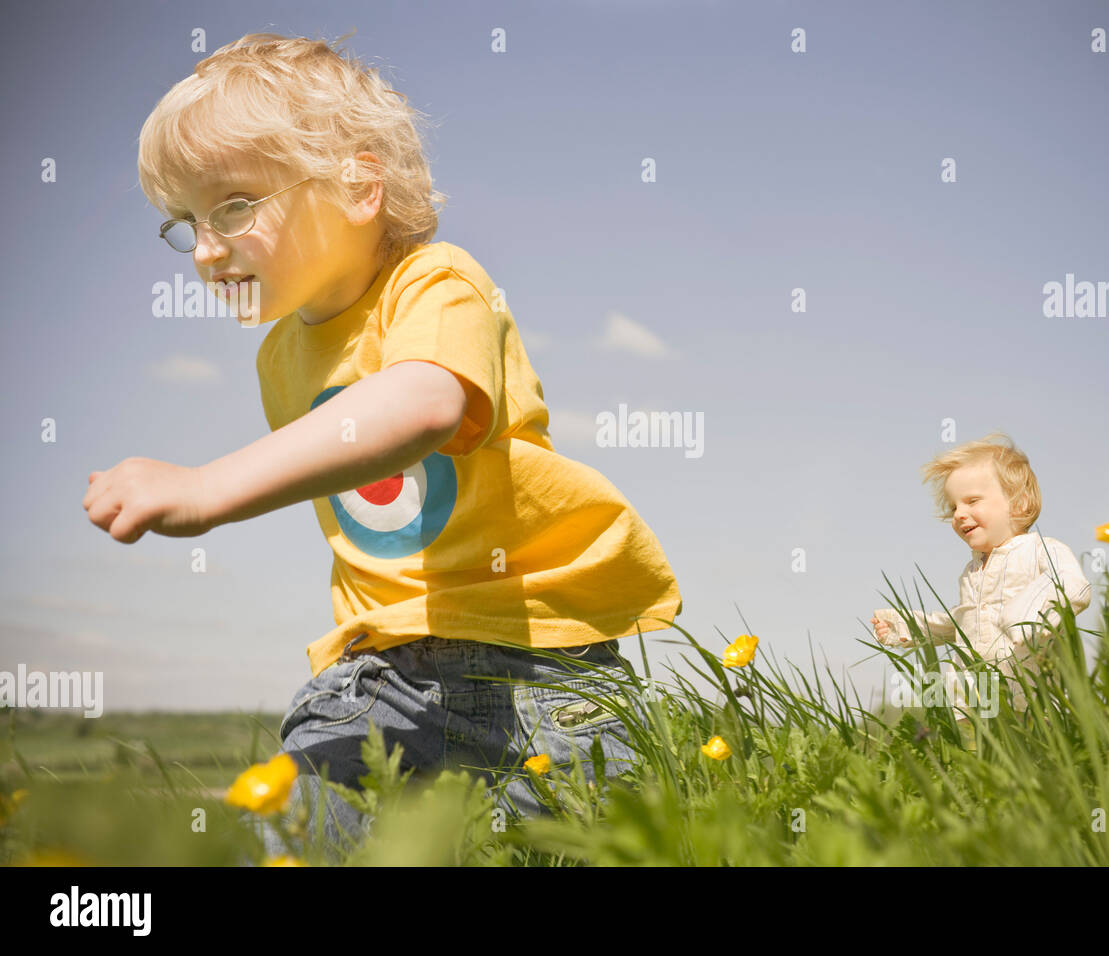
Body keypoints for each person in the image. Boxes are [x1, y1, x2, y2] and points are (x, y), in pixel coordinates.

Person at [86, 32, 683, 861]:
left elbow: (424, 404)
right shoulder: (281, 356)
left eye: (233, 206)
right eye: (186, 223)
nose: (208, 248)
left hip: (546, 664)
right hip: (384, 677)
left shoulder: (436, 281)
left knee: (598, 848)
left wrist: (206, 488)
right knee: (292, 835)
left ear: (360, 185)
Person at [870, 433, 1090, 722]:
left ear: (1019, 504)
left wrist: (1029, 615)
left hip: (1032, 701)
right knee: (977, 763)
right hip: (975, 703)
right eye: (953, 508)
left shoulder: (1041, 550)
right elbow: (962, 624)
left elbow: (1073, 585)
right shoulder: (972, 571)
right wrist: (908, 626)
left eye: (972, 501)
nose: (959, 514)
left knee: (1034, 760)